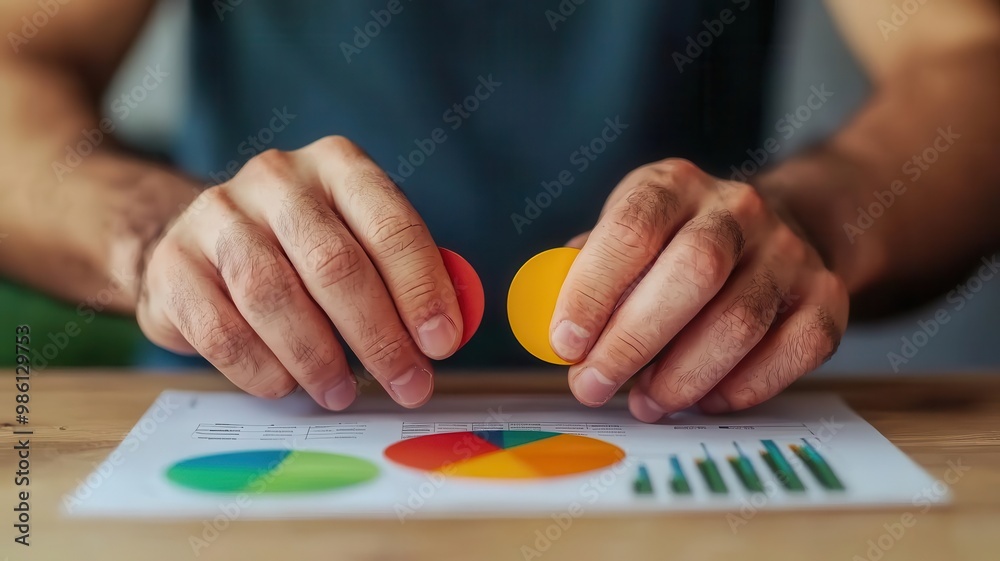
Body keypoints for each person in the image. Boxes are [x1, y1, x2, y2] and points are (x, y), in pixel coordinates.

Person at [1, 0, 998, 422]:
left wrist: (808, 222)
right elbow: (18, 59)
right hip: (250, 427)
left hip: (673, 434)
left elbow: (967, 60)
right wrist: (156, 237)